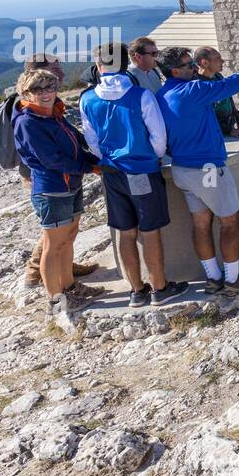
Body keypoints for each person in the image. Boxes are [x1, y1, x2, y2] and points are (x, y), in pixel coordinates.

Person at [155, 47, 239, 295]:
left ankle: (213, 277)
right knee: (230, 220)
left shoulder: (161, 95)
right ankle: (234, 281)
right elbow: (233, 83)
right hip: (208, 170)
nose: (194, 68)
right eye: (188, 65)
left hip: (182, 170)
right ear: (174, 71)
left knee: (201, 224)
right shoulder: (193, 91)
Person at [80, 43, 188, 308]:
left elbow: (91, 140)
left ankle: (136, 291)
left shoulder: (87, 99)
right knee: (150, 232)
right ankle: (160, 288)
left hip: (111, 172)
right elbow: (158, 137)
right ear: (123, 63)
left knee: (125, 233)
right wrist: (152, 155)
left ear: (98, 66)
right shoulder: (140, 95)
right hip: (141, 169)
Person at [13, 69, 104, 315]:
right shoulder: (28, 122)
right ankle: (57, 300)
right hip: (51, 189)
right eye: (38, 90)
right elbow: (51, 159)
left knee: (68, 238)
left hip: (69, 185)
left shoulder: (53, 115)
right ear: (25, 93)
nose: (45, 94)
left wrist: (95, 160)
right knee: (53, 246)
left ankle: (71, 288)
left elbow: (74, 146)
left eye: (50, 88)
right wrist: (90, 167)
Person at [193, 46, 239, 138]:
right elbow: (203, 117)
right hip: (213, 135)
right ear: (204, 62)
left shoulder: (218, 77)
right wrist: (228, 131)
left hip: (230, 129)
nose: (222, 61)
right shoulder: (196, 86)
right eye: (218, 58)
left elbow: (229, 99)